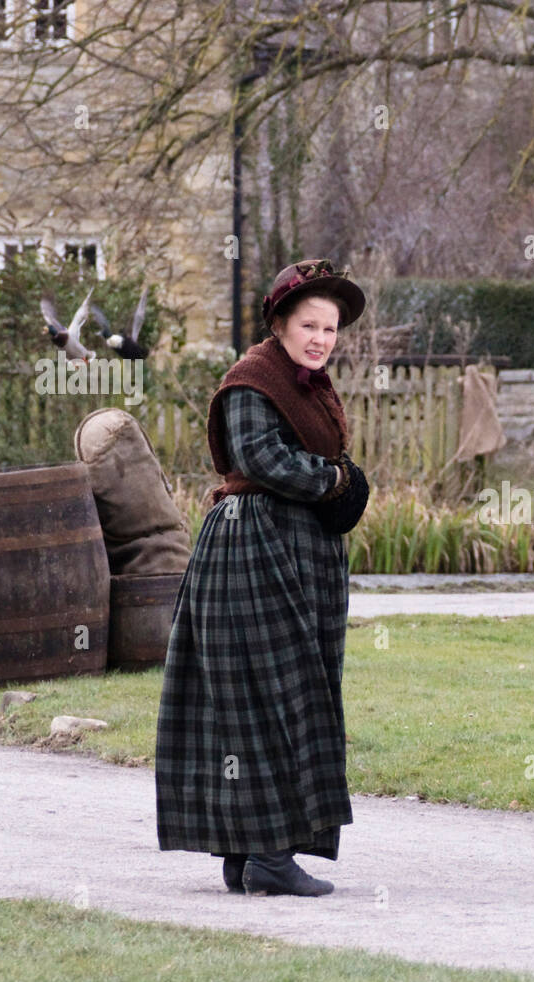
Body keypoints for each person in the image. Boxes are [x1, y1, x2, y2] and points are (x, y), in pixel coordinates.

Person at [155, 258, 366, 897]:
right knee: (264, 695)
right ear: (279, 322)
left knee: (291, 690)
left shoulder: (307, 386)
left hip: (293, 550)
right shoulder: (253, 381)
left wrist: (335, 484)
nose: (321, 339)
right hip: (252, 548)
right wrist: (333, 479)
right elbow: (259, 458)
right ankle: (266, 856)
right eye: (310, 324)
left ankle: (249, 854)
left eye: (330, 329)